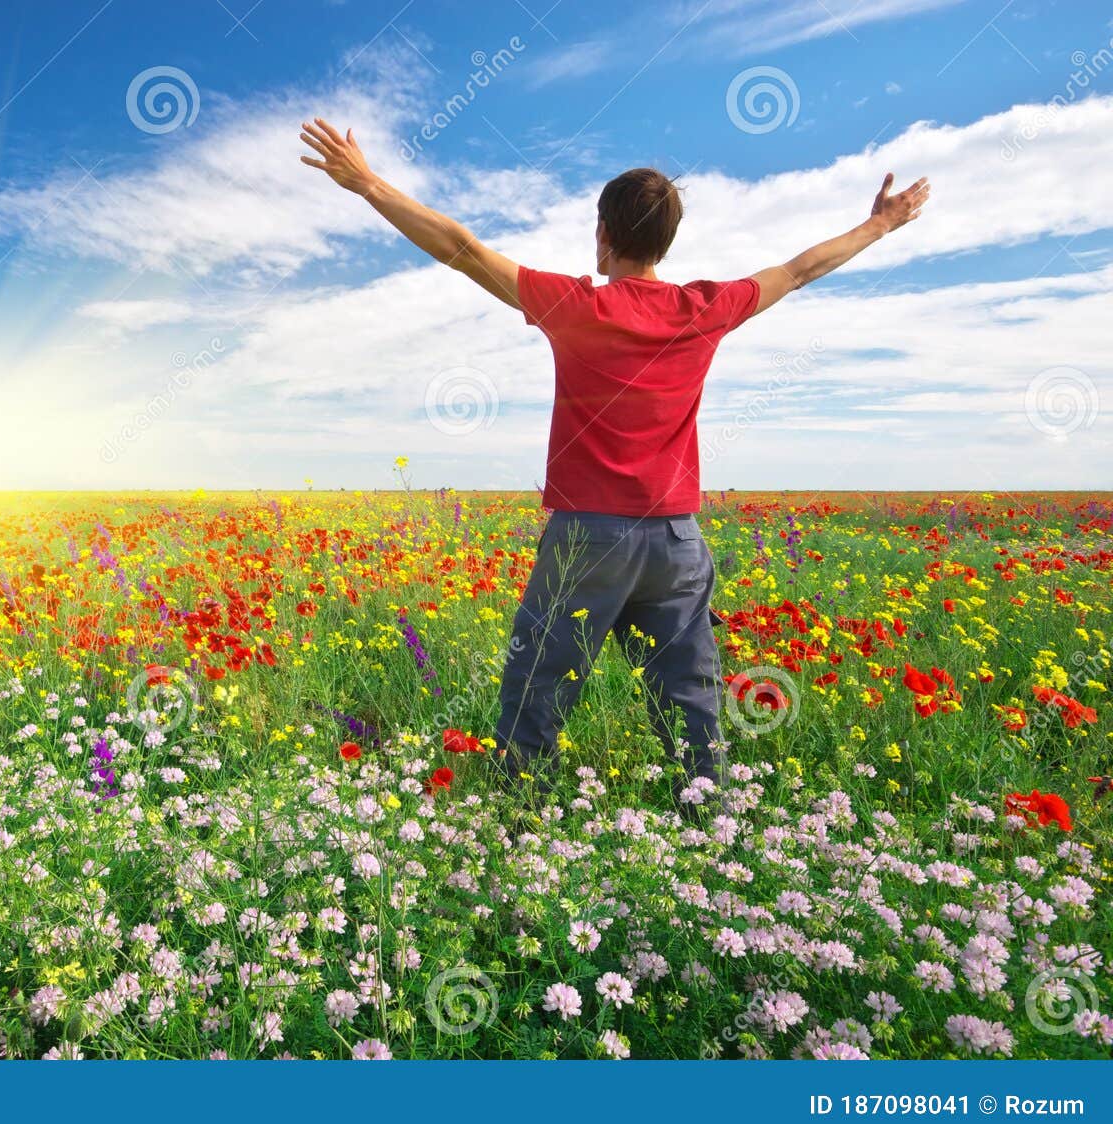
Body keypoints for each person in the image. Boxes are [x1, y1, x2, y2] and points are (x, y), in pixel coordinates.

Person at [299, 117, 930, 792]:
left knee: (539, 683)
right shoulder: (704, 308)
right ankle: (709, 820)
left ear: (604, 234)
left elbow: (462, 248)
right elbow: (802, 269)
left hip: (588, 540)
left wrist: (367, 183)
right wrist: (880, 227)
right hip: (677, 544)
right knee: (692, 701)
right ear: (667, 241)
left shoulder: (575, 305)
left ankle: (519, 813)